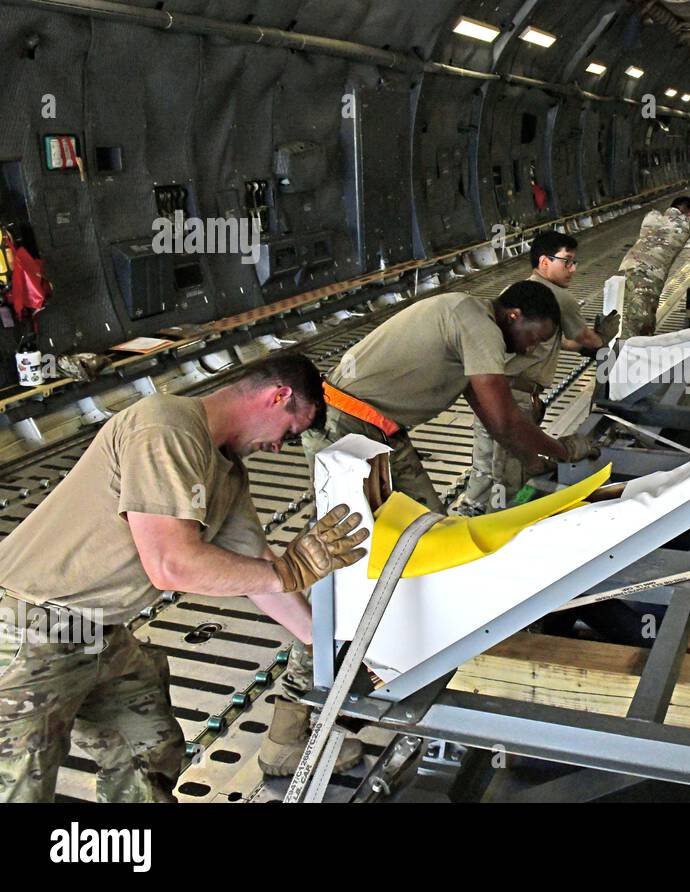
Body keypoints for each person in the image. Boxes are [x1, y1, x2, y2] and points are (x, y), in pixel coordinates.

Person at [265, 281, 602, 775]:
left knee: (424, 534)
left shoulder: (467, 323)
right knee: (342, 558)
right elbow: (505, 426)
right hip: (349, 429)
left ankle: (405, 649)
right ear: (511, 315)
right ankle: (291, 725)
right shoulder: (476, 321)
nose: (533, 347)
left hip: (374, 430)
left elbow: (495, 417)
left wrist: (531, 445)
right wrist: (564, 450)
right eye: (535, 335)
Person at [0, 354, 366, 802]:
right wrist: (285, 573)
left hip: (95, 627)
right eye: (290, 432)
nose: (280, 446)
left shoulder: (226, 472)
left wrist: (325, 646)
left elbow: (254, 567)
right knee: (19, 782)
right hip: (27, 623)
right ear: (278, 396)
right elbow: (171, 563)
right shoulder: (167, 426)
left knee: (149, 745)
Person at [458, 231, 618, 515]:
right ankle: (476, 526)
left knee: (501, 465)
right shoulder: (559, 298)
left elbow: (553, 341)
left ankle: (496, 517)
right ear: (544, 261)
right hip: (512, 396)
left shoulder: (519, 290)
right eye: (566, 261)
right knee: (499, 469)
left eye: (574, 262)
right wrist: (605, 342)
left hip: (505, 391)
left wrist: (581, 350)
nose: (573, 269)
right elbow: (585, 338)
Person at [618, 196, 690, 338]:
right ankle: (626, 352)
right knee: (641, 320)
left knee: (626, 312)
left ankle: (622, 344)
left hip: (627, 267)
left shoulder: (651, 216)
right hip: (648, 275)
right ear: (688, 213)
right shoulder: (685, 222)